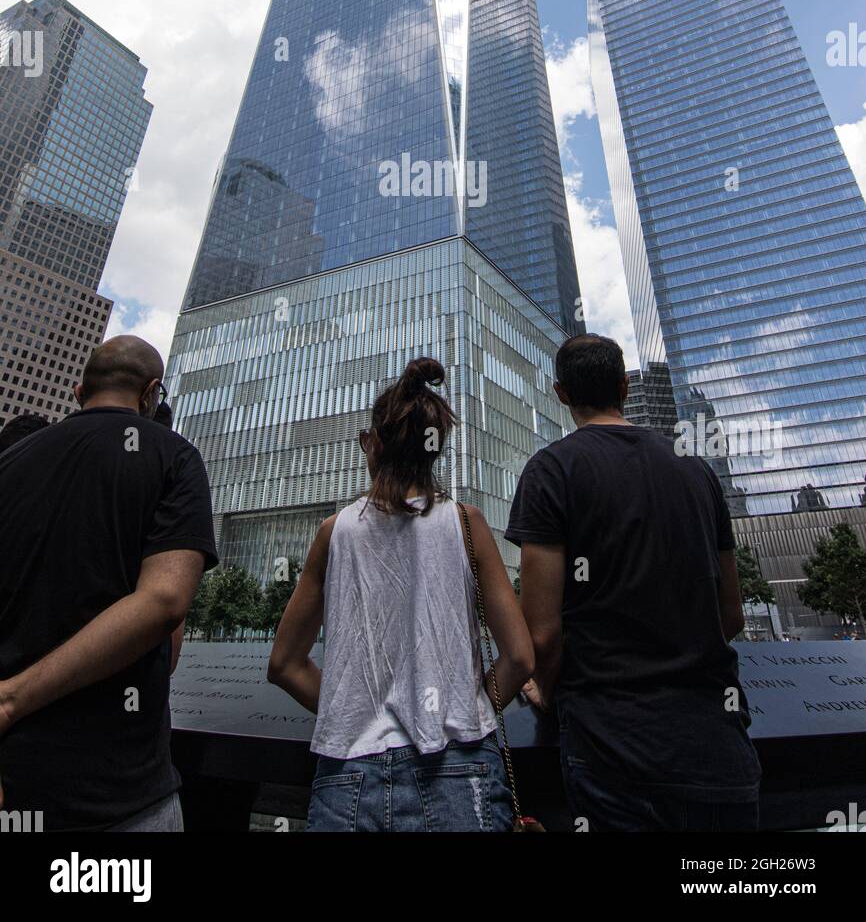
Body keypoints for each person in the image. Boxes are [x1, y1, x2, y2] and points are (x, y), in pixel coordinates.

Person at [507, 333, 761, 833]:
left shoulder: (550, 471)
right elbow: (730, 614)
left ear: (560, 394)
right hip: (717, 745)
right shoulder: (697, 470)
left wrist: (542, 686)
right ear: (624, 386)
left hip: (611, 749)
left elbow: (544, 634)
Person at [268, 356, 533, 832]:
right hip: (461, 769)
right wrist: (466, 708)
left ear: (369, 443)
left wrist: (350, 711)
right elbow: (519, 658)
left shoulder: (335, 531)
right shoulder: (467, 524)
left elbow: (285, 665)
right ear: (436, 448)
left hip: (348, 775)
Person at [0, 335, 218, 831]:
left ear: (78, 391)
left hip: (14, 786)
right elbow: (164, 601)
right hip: (121, 793)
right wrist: (14, 696)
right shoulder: (173, 457)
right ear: (152, 392)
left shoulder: (8, 465)